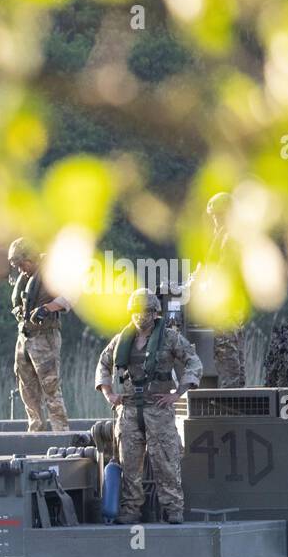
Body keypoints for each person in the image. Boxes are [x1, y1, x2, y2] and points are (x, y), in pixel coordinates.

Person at [95, 288, 203, 524]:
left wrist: (179, 393)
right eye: (135, 311)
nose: (139, 316)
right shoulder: (122, 339)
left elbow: (193, 362)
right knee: (129, 463)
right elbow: (103, 363)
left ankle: (173, 509)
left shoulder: (170, 338)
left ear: (155, 313)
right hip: (130, 409)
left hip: (159, 408)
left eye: (144, 311)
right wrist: (109, 393)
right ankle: (131, 509)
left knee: (166, 460)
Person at [8, 237, 70, 431]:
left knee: (50, 386)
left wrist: (48, 308)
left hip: (45, 337)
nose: (20, 269)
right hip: (24, 338)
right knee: (26, 387)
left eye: (22, 264)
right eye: (16, 265)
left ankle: (60, 431)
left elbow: (70, 296)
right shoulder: (24, 278)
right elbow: (19, 301)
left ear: (31, 258)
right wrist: (18, 309)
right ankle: (36, 429)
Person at [185, 191, 245, 387]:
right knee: (231, 349)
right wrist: (191, 283)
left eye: (218, 216)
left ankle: (231, 395)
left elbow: (221, 271)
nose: (215, 220)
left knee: (227, 350)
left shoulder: (232, 238)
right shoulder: (220, 236)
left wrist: (201, 286)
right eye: (213, 216)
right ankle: (234, 391)